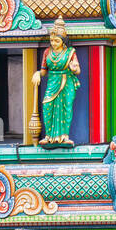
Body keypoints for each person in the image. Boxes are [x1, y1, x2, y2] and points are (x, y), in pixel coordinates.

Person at [32, 16, 80, 144]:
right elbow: (44, 70)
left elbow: (77, 69)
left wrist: (74, 68)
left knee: (66, 107)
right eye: (51, 40)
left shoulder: (70, 52)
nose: (53, 43)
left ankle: (64, 136)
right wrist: (38, 73)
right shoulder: (47, 52)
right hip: (52, 81)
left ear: (63, 41)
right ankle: (49, 136)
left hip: (66, 81)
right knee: (47, 105)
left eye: (56, 41)